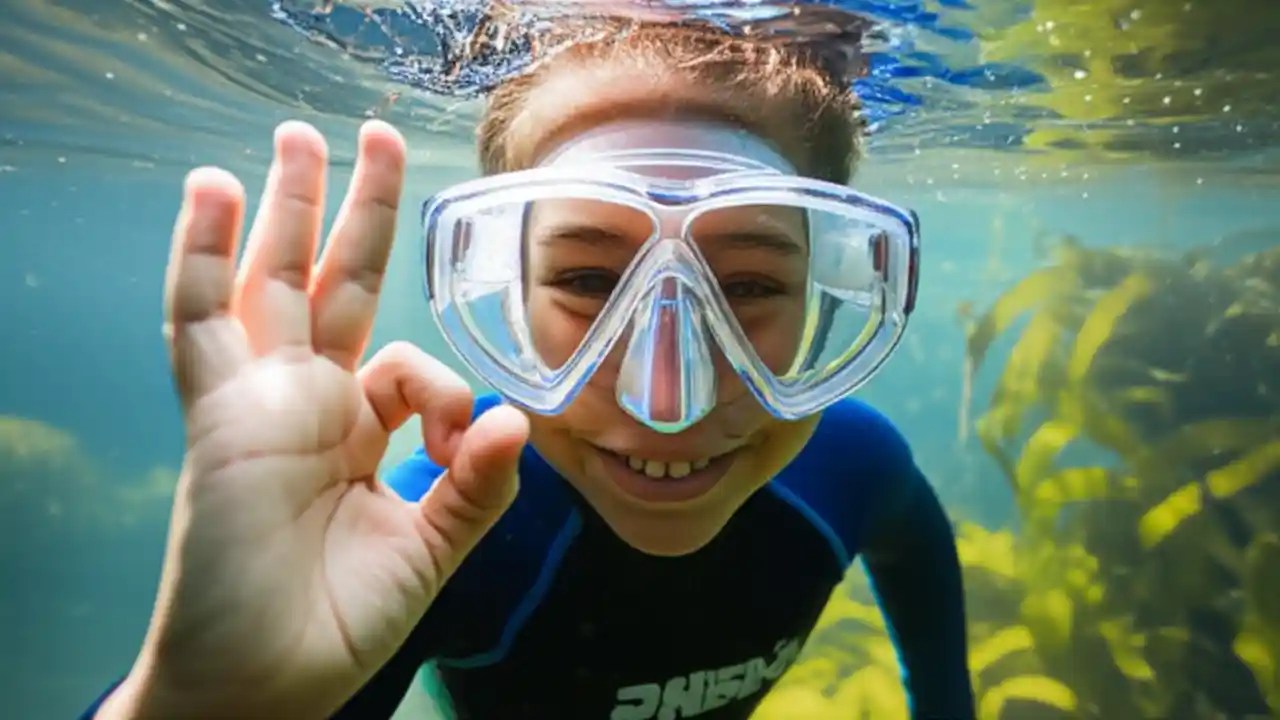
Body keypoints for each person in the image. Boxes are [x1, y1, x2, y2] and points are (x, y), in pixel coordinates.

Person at [84, 15, 973, 720]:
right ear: (506, 298)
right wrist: (201, 710)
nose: (666, 403)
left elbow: (913, 550)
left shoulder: (858, 461)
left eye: (747, 286)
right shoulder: (430, 531)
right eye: (589, 281)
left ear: (831, 285)